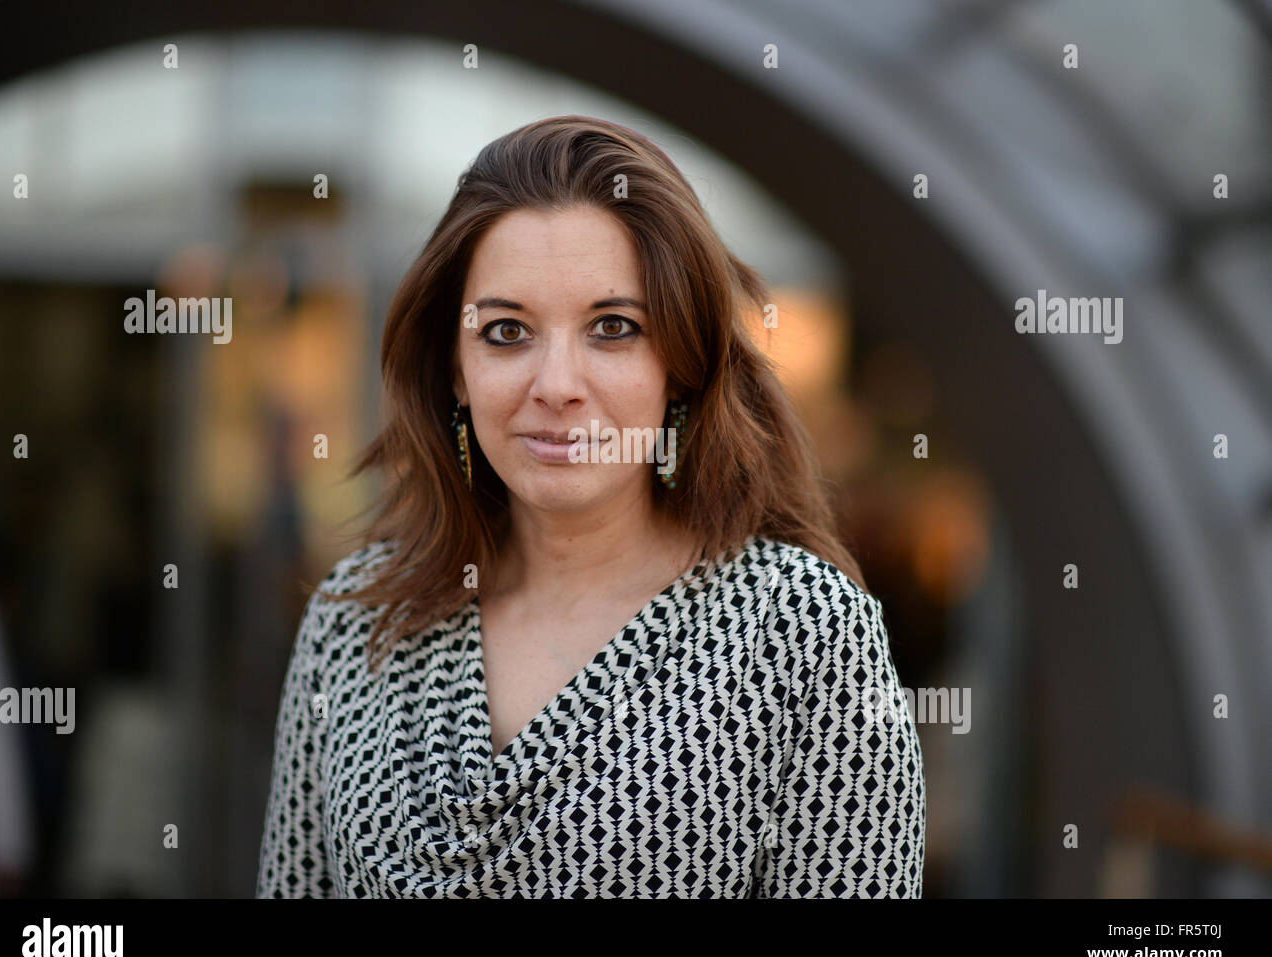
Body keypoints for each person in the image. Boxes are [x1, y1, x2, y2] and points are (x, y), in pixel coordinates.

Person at [256, 115, 926, 898]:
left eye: (613, 329)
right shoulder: (354, 620)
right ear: (455, 372)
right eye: (507, 332)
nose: (557, 385)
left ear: (681, 361)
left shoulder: (802, 637)